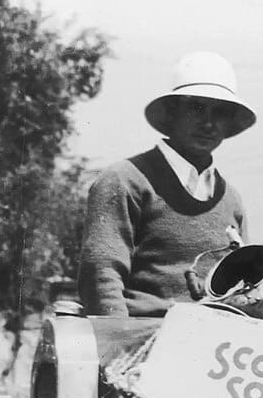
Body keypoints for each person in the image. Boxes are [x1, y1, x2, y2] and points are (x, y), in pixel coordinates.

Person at [78, 51, 254, 317]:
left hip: (217, 343)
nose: (208, 123)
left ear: (229, 123)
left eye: (219, 112)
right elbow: (101, 273)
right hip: (144, 342)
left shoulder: (231, 199)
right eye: (196, 107)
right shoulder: (125, 179)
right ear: (172, 113)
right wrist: (117, 342)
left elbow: (244, 288)